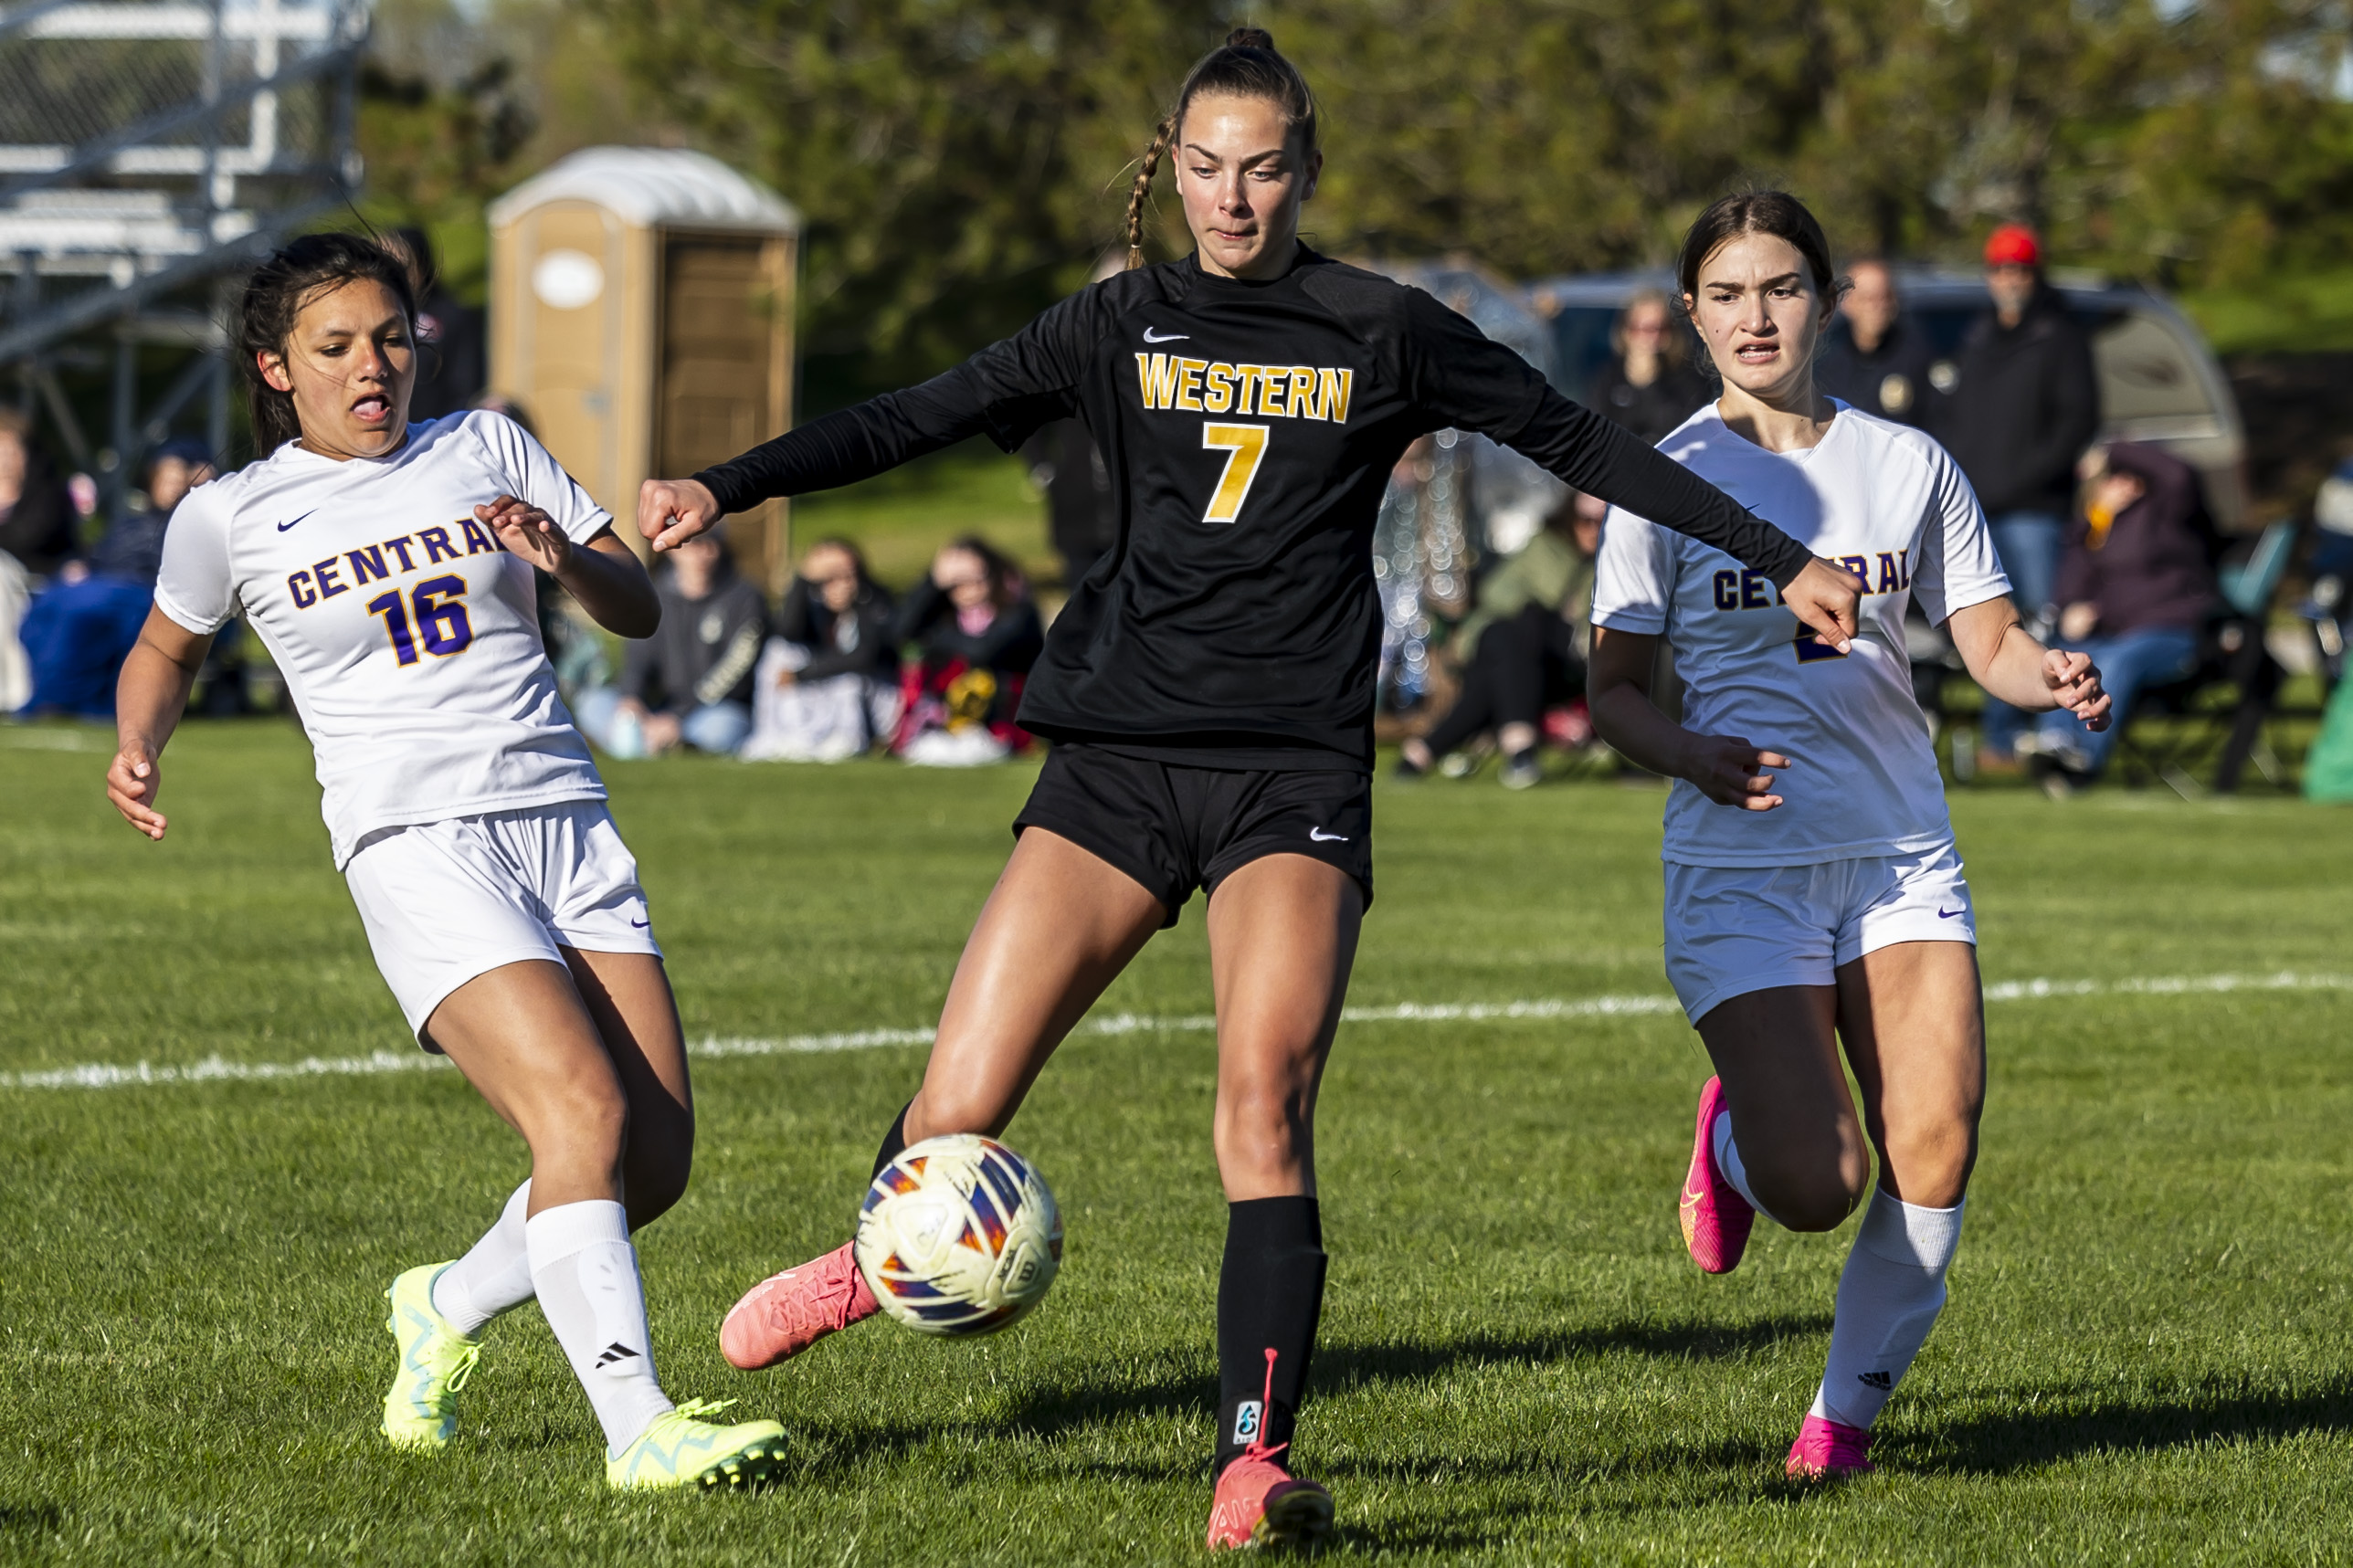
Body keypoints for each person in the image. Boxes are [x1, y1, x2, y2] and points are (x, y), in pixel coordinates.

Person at [638, 32, 1860, 1550]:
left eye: (1264, 166)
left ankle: (1249, 1459)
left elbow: (1584, 438)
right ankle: (868, 1252)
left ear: (1304, 172)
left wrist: (1784, 552)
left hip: (1290, 772)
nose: (1232, 197)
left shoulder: (1385, 327)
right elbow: (911, 413)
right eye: (1207, 166)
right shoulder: (1114, 321)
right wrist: (724, 483)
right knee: (954, 1109)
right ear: (1176, 163)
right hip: (1117, 760)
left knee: (1261, 1108)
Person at [103, 231, 786, 1490]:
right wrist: (139, 741)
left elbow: (633, 608)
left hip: (564, 821)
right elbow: (165, 645)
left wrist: (566, 560)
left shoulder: (488, 444)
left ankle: (443, 1306)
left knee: (653, 1162)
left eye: (392, 338)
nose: (376, 366)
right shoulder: (231, 513)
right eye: (338, 347)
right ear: (276, 369)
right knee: (578, 1111)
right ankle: (637, 1427)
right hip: (412, 838)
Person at [1585, 191, 2108, 1480]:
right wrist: (1692, 751)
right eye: (1728, 292)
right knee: (1817, 1184)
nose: (1756, 316)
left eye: (1781, 288)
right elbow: (1610, 694)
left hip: (1896, 849)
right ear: (1693, 312)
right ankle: (1735, 1141)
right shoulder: (1663, 480)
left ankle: (1843, 1422)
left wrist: (2057, 675)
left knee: (1933, 1142)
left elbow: (1986, 644)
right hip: (1742, 862)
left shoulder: (1908, 465)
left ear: (1823, 299)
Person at [1937, 224, 2100, 763]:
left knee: (2041, 621)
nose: (2009, 279)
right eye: (2000, 269)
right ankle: (2000, 741)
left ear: (2035, 274)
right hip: (1979, 508)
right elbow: (1959, 419)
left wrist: (2025, 479)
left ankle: (2055, 733)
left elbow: (2077, 422)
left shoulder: (2059, 335)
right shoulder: (1979, 337)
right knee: (1988, 624)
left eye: (2020, 269)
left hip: (2035, 509)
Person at [2025, 441, 2219, 794]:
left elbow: (2178, 474)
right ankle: (2054, 744)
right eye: (2114, 478)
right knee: (2067, 657)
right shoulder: (2098, 526)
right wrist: (2073, 608)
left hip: (2174, 632)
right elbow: (2070, 584)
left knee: (2119, 658)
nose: (2124, 485)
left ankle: (2082, 759)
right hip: (2114, 633)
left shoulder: (2169, 513)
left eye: (2134, 477)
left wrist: (2112, 451)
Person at [1397, 489, 1601, 787]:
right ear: (1571, 517)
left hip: (1558, 663)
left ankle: (1424, 752)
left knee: (1502, 661)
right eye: (1586, 520)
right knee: (1517, 631)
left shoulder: (1609, 565)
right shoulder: (1544, 547)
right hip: (1504, 640)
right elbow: (1498, 595)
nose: (1593, 530)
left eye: (1603, 522)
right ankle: (1520, 750)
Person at [17, 438, 216, 717]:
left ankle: (63, 698)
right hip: (102, 582)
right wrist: (81, 566)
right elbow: (99, 554)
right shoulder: (129, 522)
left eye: (178, 477)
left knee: (80, 609)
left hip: (142, 589)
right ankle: (47, 692)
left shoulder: (194, 522)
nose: (170, 484)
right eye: (164, 476)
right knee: (46, 605)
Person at [575, 524, 767, 759]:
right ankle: (647, 741)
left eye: (711, 544)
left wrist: (677, 718)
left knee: (722, 728)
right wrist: (632, 701)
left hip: (714, 710)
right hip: (660, 709)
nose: (703, 553)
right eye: (694, 545)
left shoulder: (746, 598)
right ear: (671, 548)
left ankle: (645, 744)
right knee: (592, 703)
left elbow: (735, 671)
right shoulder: (654, 594)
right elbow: (638, 656)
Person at [888, 534, 1045, 765]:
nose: (967, 589)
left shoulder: (1018, 613)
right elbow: (900, 633)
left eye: (976, 579)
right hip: (948, 718)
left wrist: (933, 640)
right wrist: (932, 581)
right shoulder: (945, 616)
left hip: (1001, 718)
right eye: (956, 583)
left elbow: (982, 651)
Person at [744, 535, 900, 763]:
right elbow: (786, 631)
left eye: (845, 574)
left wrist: (801, 675)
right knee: (778, 655)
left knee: (849, 681)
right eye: (828, 577)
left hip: (872, 696)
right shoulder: (814, 606)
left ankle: (848, 741)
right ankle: (780, 737)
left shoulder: (875, 601)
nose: (838, 584)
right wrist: (803, 579)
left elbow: (863, 657)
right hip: (820, 692)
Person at [1814, 259, 1939, 428]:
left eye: (1885, 297)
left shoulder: (1918, 357)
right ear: (1846, 303)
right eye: (1868, 298)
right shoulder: (1825, 360)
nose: (1878, 307)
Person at [1587, 289, 1712, 447]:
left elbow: (1686, 433)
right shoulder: (1608, 378)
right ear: (1626, 332)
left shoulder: (1690, 380)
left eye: (1660, 329)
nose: (1652, 338)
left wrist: (1650, 384)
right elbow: (1597, 434)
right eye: (1642, 328)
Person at [390, 226, 487, 422]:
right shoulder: (376, 316)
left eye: (402, 263)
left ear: (421, 263)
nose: (393, 273)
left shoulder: (453, 315)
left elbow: (467, 383)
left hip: (437, 429)